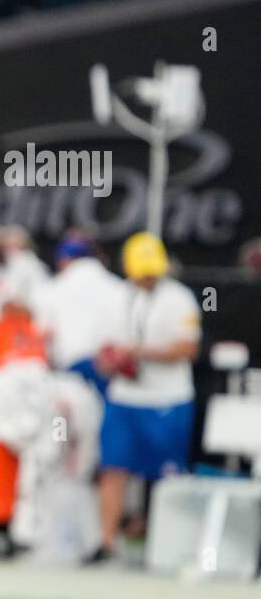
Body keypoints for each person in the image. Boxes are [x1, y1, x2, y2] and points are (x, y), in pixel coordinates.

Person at [90, 232, 202, 563]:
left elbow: (188, 348)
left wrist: (139, 351)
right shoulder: (115, 299)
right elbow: (102, 353)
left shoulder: (180, 299)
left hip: (168, 398)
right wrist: (113, 361)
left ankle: (167, 544)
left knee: (167, 475)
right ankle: (107, 542)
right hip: (125, 396)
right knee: (112, 468)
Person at [35, 232, 127, 392]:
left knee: (65, 417)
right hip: (108, 366)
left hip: (68, 368)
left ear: (64, 259)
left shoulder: (52, 288)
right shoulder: (119, 287)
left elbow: (44, 332)